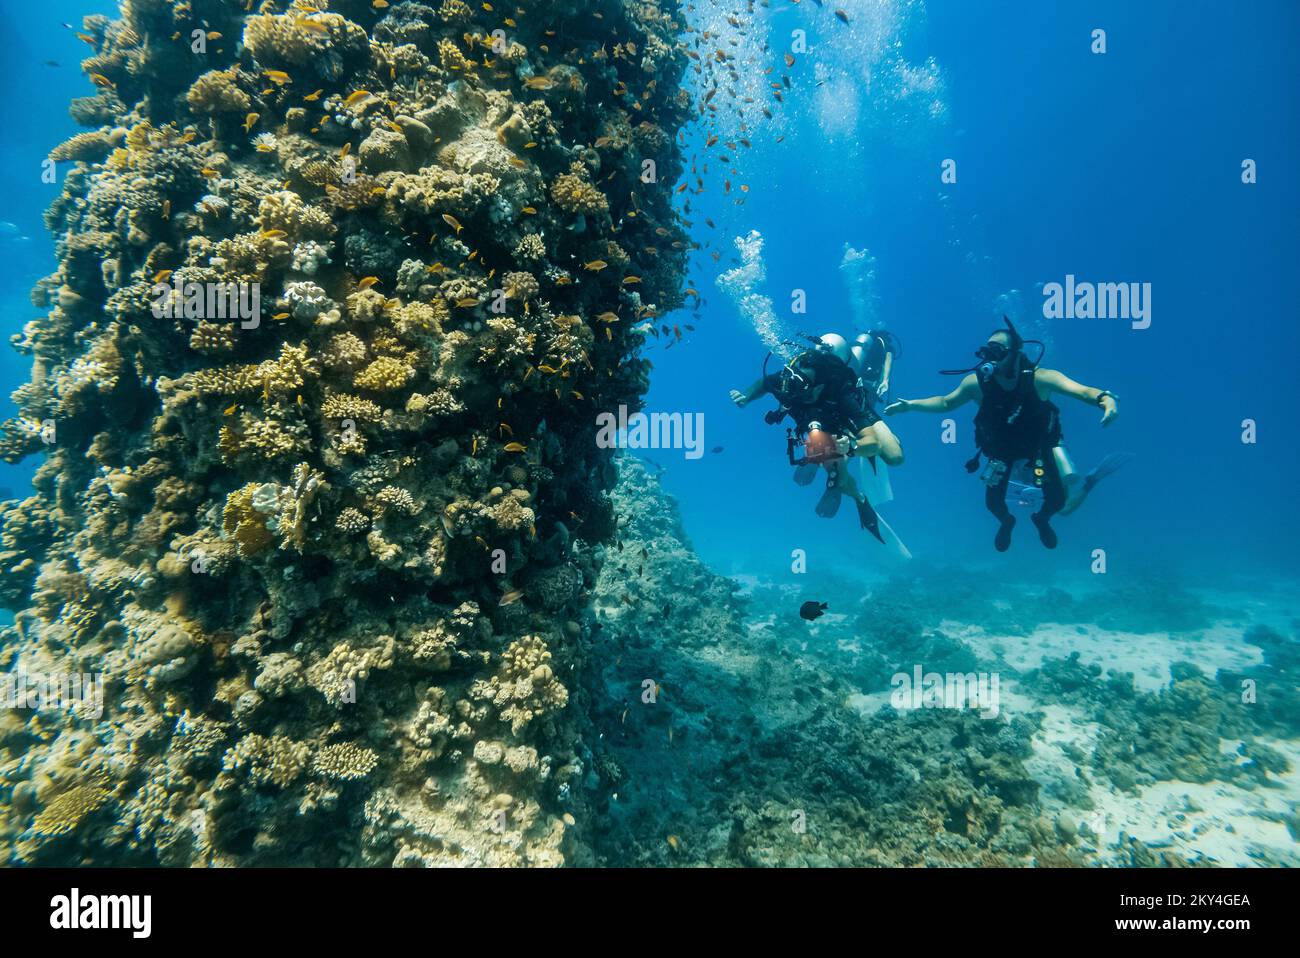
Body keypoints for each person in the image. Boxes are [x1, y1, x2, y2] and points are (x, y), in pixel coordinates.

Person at [885, 317, 1121, 552]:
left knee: (1058, 500)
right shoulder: (976, 384)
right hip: (1001, 449)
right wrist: (910, 405)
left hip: (1037, 446)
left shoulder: (1041, 377)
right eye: (987, 351)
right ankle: (1007, 522)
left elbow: (1081, 391)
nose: (989, 357)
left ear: (1016, 353)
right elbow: (946, 403)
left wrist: (1105, 399)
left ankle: (1041, 519)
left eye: (997, 351)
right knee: (993, 503)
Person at [730, 333, 904, 542]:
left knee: (894, 457)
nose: (803, 392)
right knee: (836, 467)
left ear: (821, 385)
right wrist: (746, 396)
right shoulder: (791, 381)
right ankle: (835, 472)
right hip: (819, 426)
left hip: (841, 417)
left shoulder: (842, 393)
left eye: (809, 389)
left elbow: (872, 443)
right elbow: (764, 383)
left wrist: (850, 447)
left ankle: (828, 460)